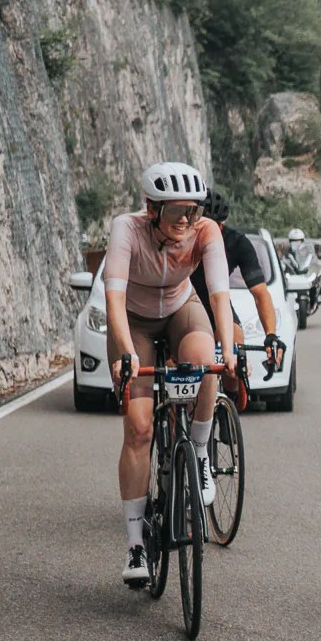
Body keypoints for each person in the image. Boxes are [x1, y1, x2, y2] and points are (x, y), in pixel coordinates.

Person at [103, 161, 233, 585]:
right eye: (176, 210)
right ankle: (136, 544)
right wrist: (126, 354)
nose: (185, 221)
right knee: (139, 429)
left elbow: (219, 295)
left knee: (205, 360)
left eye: (192, 211)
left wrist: (229, 350)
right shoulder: (127, 229)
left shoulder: (205, 231)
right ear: (151, 209)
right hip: (134, 322)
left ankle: (199, 450)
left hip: (180, 308)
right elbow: (113, 297)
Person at [189, 187, 285, 383]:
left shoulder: (237, 242)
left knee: (235, 354)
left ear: (221, 226)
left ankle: (231, 397)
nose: (206, 232)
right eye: (200, 226)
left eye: (213, 226)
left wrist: (271, 335)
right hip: (185, 305)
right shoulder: (178, 239)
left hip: (216, 304)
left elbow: (260, 293)